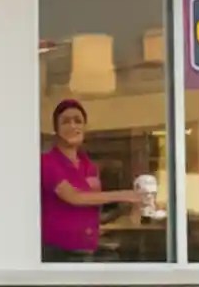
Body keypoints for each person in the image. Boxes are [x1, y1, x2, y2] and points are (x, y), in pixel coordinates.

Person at [40, 99, 141, 262]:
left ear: (84, 128)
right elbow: (75, 197)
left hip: (87, 252)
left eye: (78, 121)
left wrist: (125, 210)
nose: (73, 126)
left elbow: (93, 210)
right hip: (58, 255)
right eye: (65, 122)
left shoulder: (90, 166)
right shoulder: (47, 162)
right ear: (56, 130)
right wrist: (124, 195)